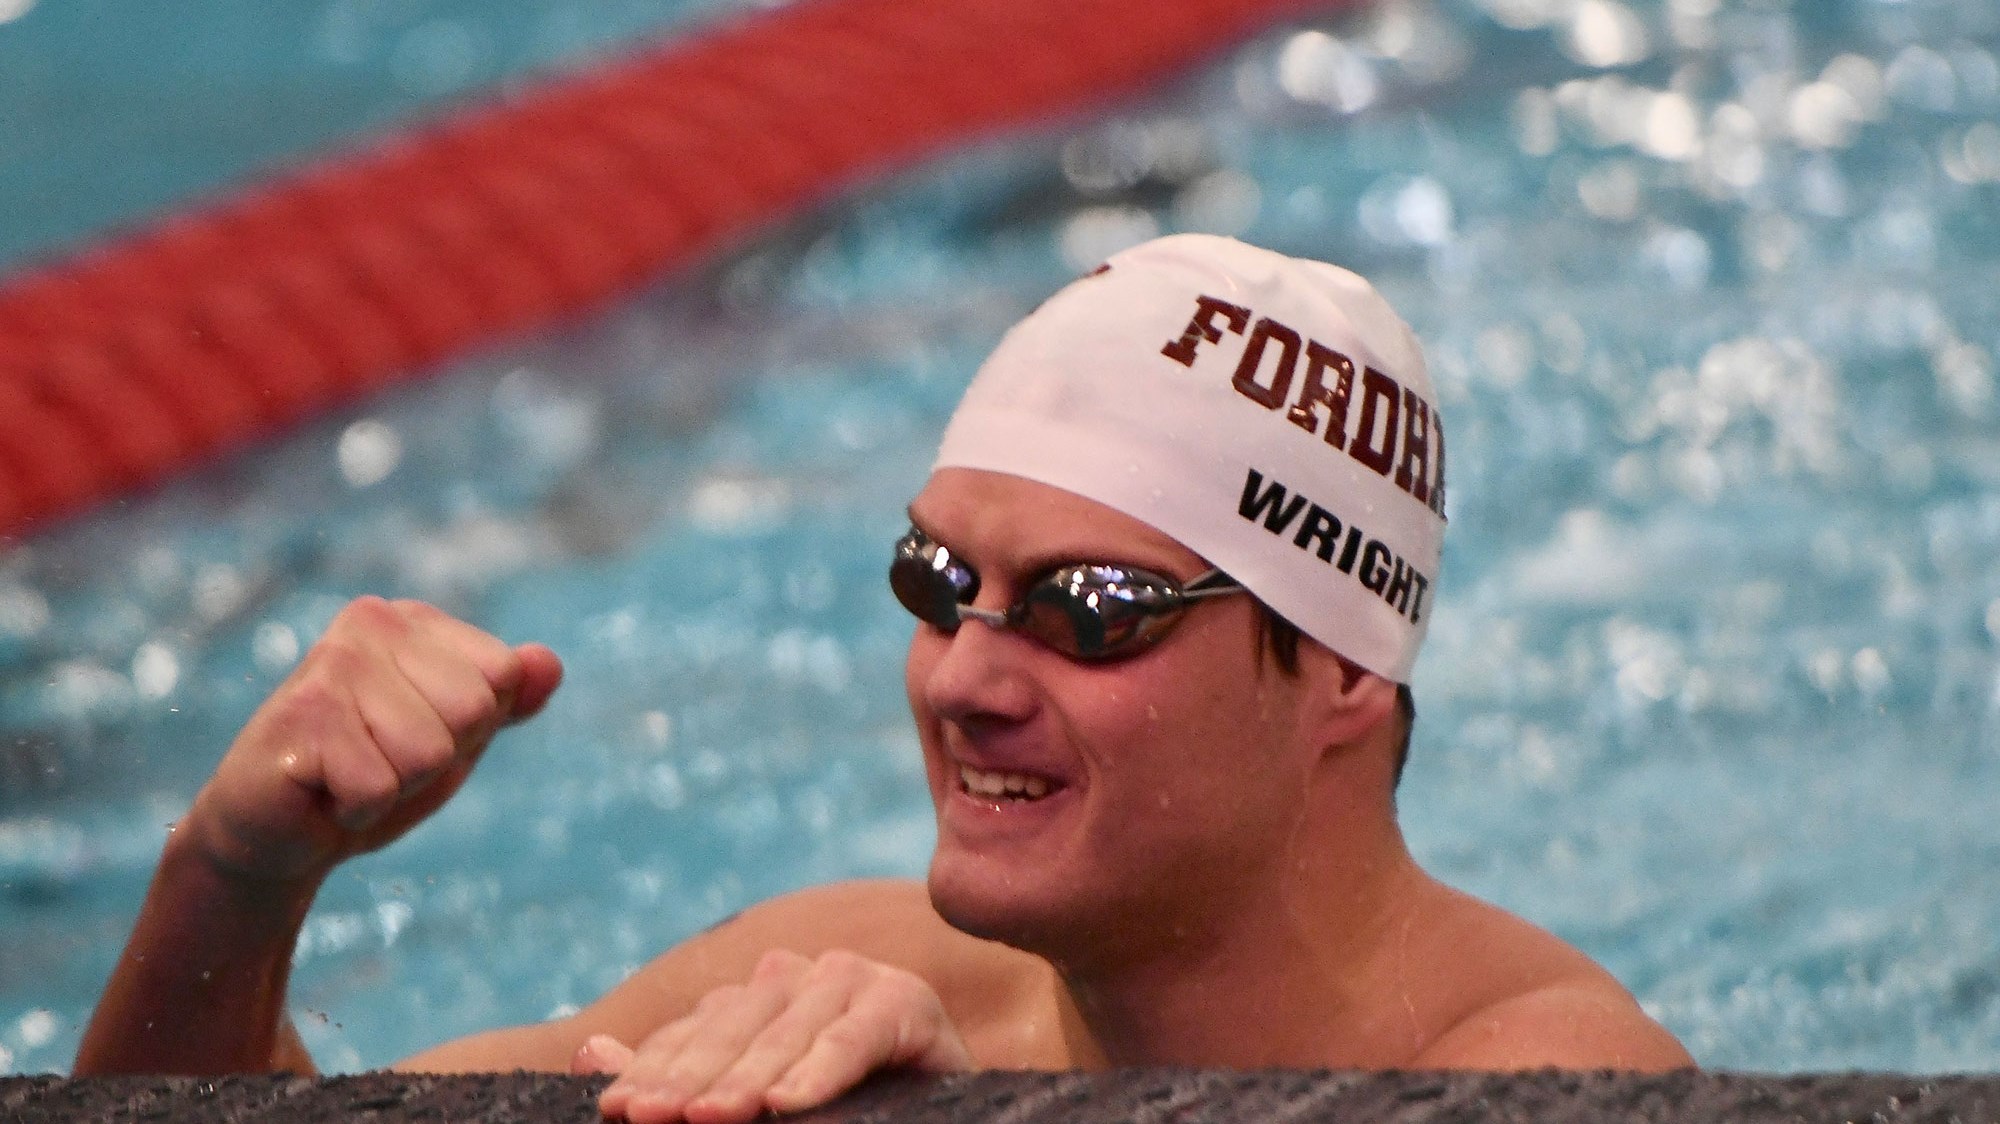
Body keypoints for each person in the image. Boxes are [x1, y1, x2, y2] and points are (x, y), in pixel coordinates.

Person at [75, 235, 1692, 1121]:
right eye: (938, 582)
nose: (964, 678)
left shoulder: (1557, 1082)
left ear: (1339, 669)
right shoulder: (841, 973)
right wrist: (235, 879)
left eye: (1090, 610)